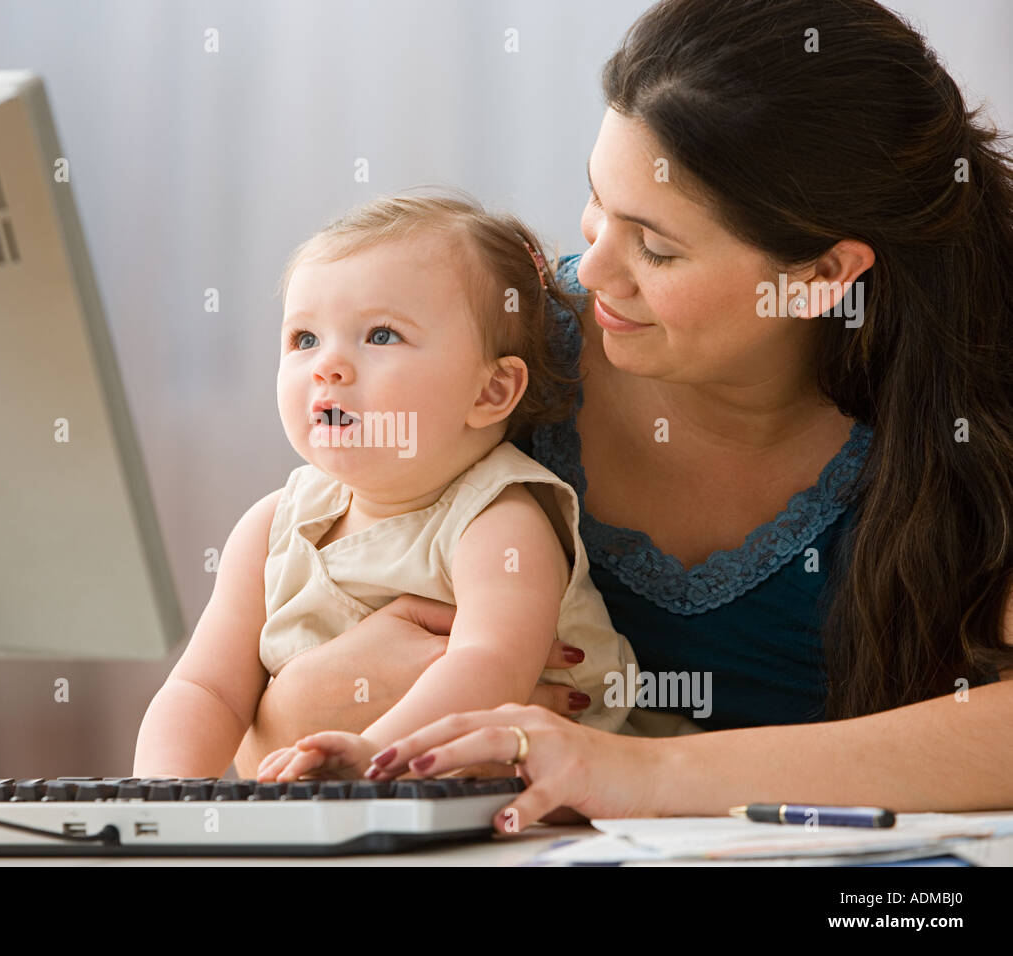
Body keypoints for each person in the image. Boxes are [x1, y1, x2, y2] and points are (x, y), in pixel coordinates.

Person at [237, 0, 1013, 826]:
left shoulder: (977, 399)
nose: (591, 270)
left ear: (821, 273)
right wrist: (305, 704)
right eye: (597, 202)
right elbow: (259, 760)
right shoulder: (501, 353)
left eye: (656, 247)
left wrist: (631, 771)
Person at [133, 191, 644, 779]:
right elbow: (204, 689)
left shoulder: (498, 519)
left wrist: (372, 754)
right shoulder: (270, 529)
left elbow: (488, 668)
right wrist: (161, 797)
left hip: (539, 815)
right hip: (358, 810)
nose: (328, 365)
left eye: (380, 335)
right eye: (304, 339)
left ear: (491, 392)